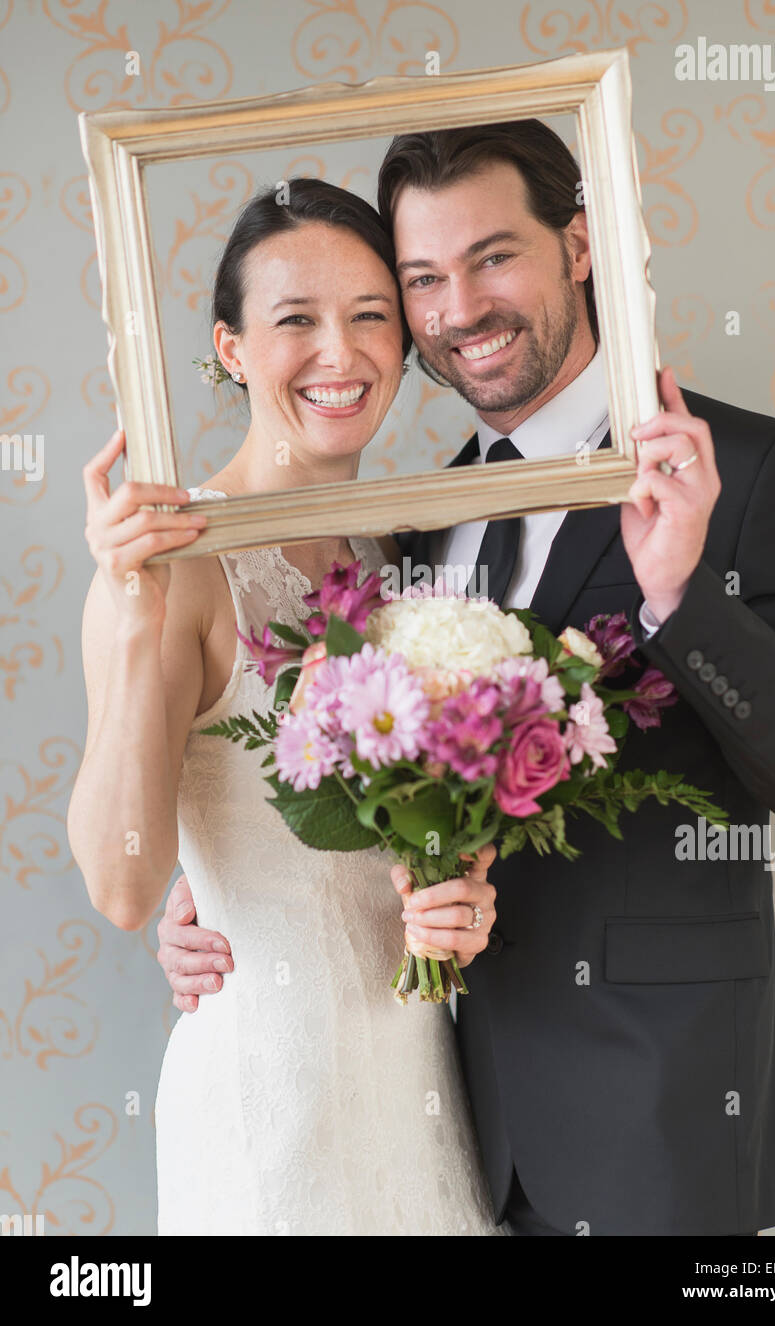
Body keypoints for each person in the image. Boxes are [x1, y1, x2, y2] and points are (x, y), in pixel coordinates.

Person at [159, 121, 775, 1236]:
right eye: (424, 279)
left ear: (578, 246)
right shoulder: (420, 525)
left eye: (495, 257)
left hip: (661, 1125)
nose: (460, 310)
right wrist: (215, 885)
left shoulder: (755, 468)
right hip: (447, 1122)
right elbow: (363, 770)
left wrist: (685, 599)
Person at [67, 178, 505, 1236]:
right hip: (268, 1094)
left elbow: (415, 836)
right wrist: (133, 615)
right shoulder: (172, 563)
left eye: (368, 317)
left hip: (418, 1079)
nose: (339, 353)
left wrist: (464, 898)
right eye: (294, 320)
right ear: (230, 347)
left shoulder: (400, 554)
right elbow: (126, 887)